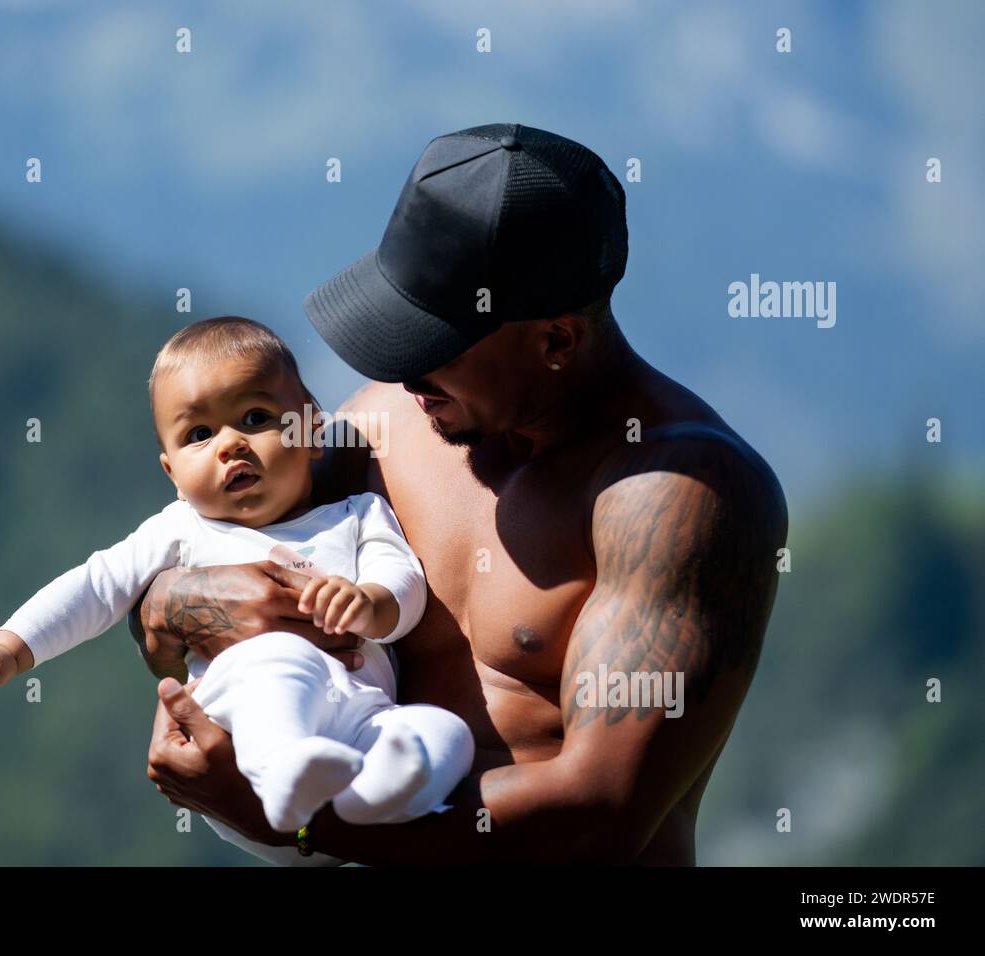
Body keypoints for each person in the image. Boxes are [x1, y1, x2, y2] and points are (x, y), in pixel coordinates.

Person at [138, 123, 789, 865]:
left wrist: (292, 823)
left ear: (556, 342)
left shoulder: (679, 496)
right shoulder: (385, 426)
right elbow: (193, 570)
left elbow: (601, 814)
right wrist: (169, 601)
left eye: (433, 348)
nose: (404, 374)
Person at [0, 316, 474, 865]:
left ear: (313, 430)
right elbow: (96, 585)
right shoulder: (181, 530)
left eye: (256, 417)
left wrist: (373, 604)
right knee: (278, 660)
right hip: (239, 750)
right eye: (199, 434)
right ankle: (284, 763)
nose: (230, 445)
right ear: (172, 472)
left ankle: (369, 796)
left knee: (444, 732)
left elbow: (403, 581)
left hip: (357, 722)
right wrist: (9, 647)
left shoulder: (357, 515)